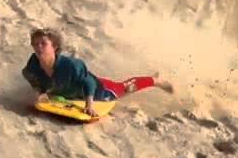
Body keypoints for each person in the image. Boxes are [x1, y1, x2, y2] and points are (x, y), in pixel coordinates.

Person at [22, 27, 173, 116]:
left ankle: (155, 81)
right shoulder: (33, 63)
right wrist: (40, 91)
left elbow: (88, 82)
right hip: (71, 92)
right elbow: (28, 75)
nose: (38, 47)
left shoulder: (70, 65)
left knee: (124, 88)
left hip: (98, 91)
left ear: (54, 47)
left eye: (43, 43)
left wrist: (89, 105)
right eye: (35, 44)